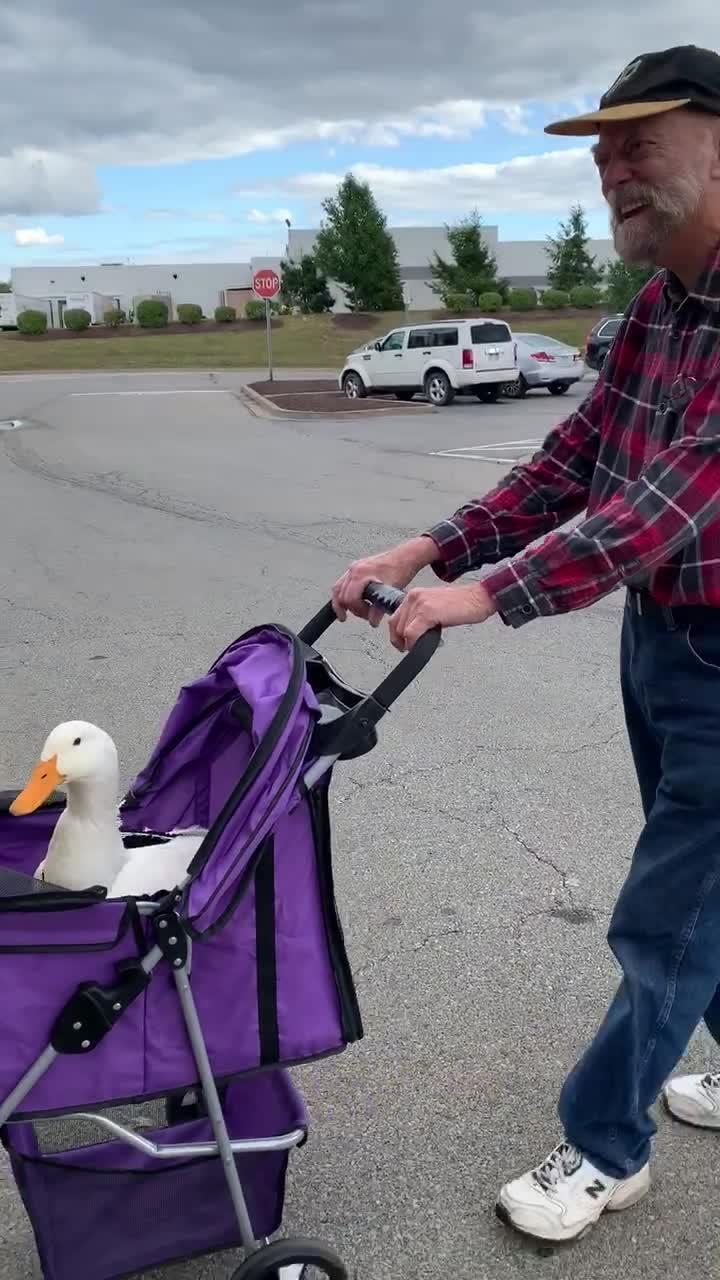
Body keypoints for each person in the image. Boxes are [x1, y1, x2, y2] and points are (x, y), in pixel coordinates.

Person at [332, 44, 720, 1245]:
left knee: (666, 914)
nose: (611, 170)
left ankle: (607, 1146)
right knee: (706, 896)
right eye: (601, 150)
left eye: (636, 142)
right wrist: (429, 544)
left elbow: (671, 499)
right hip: (667, 643)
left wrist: (483, 592)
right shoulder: (660, 307)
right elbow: (576, 463)